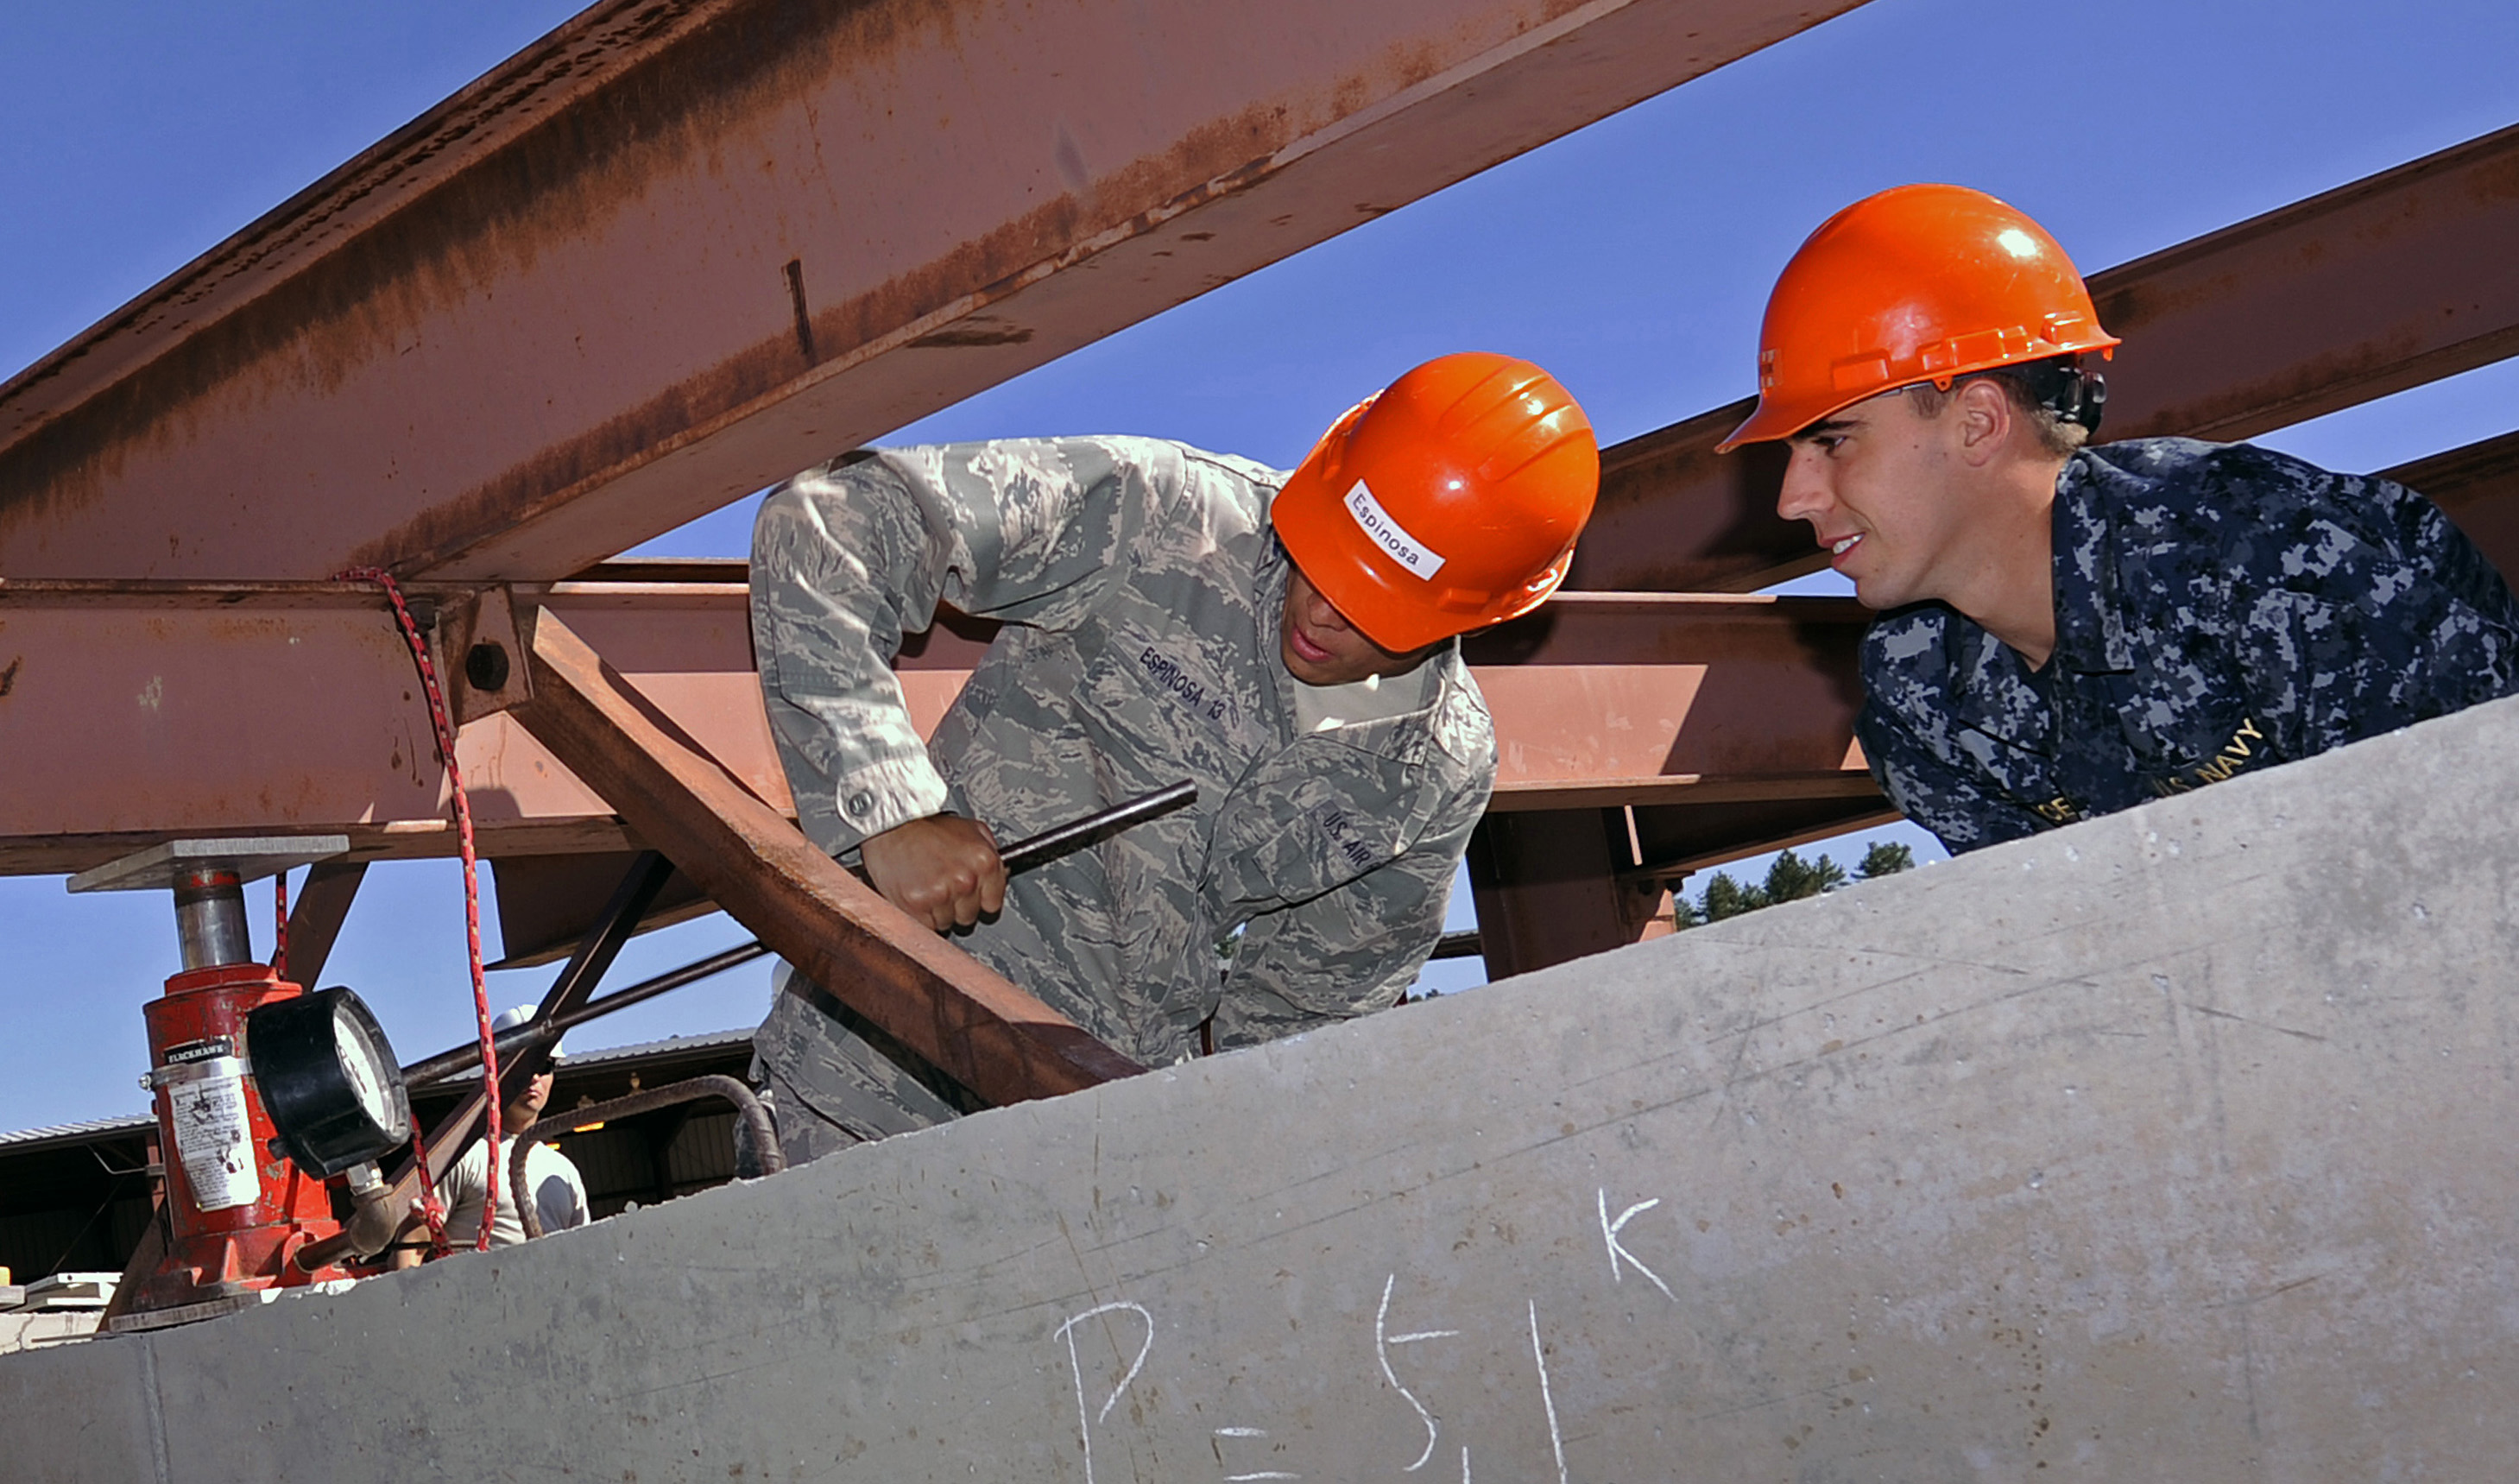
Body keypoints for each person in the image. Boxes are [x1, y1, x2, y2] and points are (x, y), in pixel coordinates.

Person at [749, 351, 1599, 1161]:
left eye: (1378, 604)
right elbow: (830, 525)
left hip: (1087, 1153)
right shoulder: (1163, 516)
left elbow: (1303, 1023)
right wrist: (890, 810)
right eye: (1329, 558)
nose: (1325, 611)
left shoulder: (1431, 775)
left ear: (1476, 617)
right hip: (862, 1085)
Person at [1717, 183, 2519, 854]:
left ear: (1978, 423)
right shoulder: (1921, 698)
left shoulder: (2259, 553)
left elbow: (2476, 842)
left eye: (1832, 439)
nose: (1795, 498)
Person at [392, 1007, 590, 1263]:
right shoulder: (463, 1156)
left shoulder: (565, 1173)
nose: (533, 1076)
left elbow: (585, 1257)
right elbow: (410, 1249)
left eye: (544, 1065)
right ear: (494, 1068)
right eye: (522, 1063)